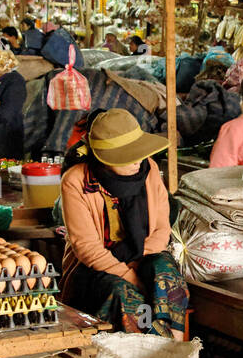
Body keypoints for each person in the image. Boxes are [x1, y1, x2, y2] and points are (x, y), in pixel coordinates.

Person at [59, 109, 187, 339]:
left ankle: (174, 347)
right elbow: (88, 249)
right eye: (129, 155)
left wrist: (137, 264)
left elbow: (161, 230)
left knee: (164, 272)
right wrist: (129, 276)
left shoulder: (149, 169)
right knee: (123, 293)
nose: (138, 159)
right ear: (105, 159)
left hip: (144, 257)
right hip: (95, 270)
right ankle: (139, 356)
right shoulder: (76, 181)